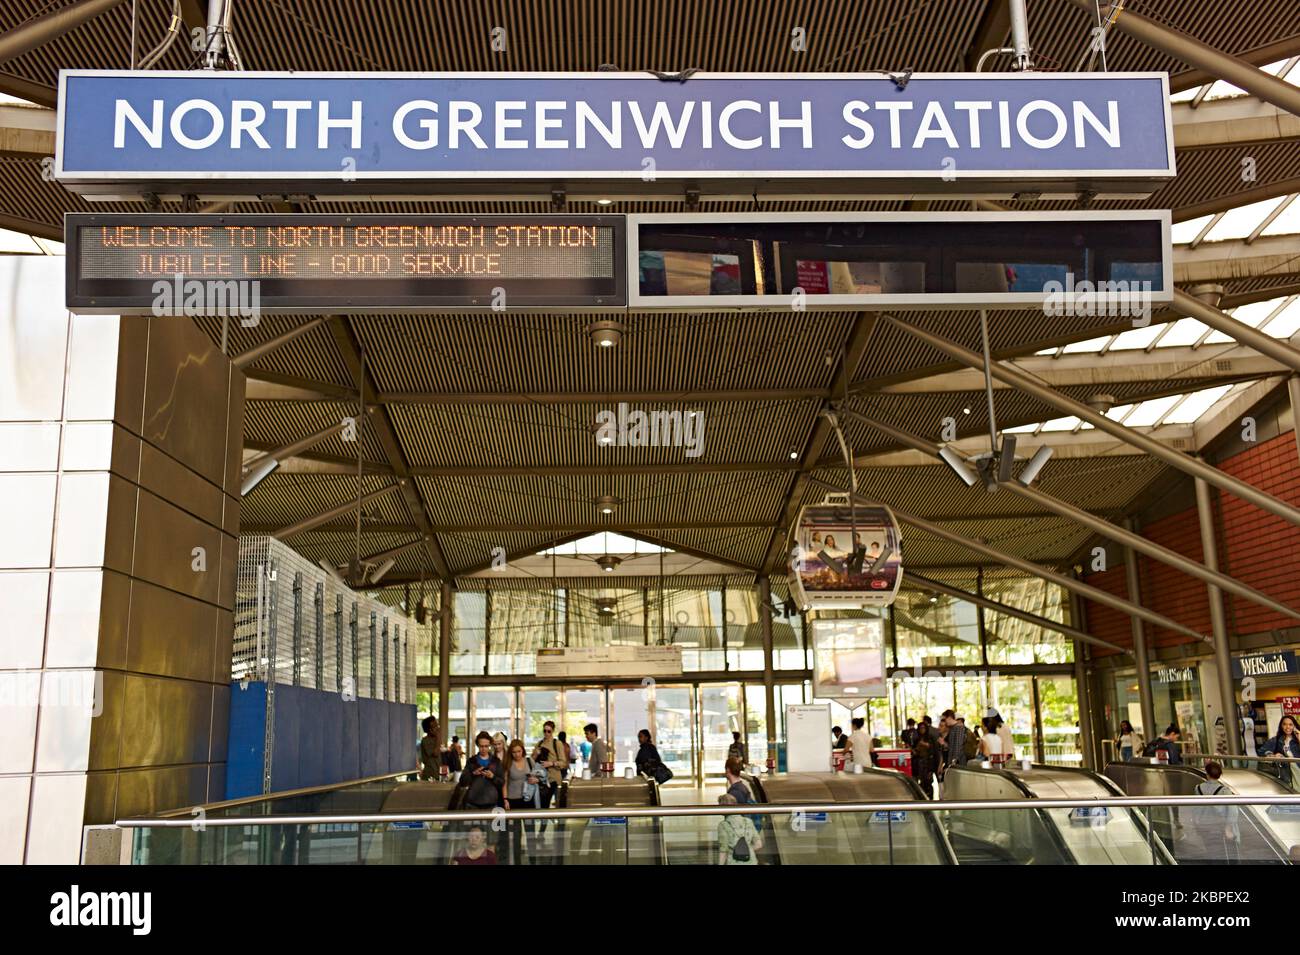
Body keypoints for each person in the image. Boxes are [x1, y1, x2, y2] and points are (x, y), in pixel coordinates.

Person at [503, 739, 544, 864]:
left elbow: (540, 776)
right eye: (514, 752)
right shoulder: (508, 763)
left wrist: (536, 780)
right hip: (513, 801)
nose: (517, 754)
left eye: (519, 751)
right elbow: (504, 783)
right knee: (516, 835)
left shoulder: (529, 761)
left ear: (523, 750)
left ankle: (533, 861)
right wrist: (505, 799)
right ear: (511, 753)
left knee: (530, 832)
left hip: (528, 800)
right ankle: (517, 861)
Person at [1192, 762, 1239, 863]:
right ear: (1220, 774)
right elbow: (1232, 810)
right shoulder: (1224, 791)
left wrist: (1196, 823)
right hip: (1219, 828)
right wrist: (1229, 828)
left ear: (1207, 774)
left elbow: (1196, 809)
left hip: (1204, 826)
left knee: (1212, 853)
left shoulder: (1198, 788)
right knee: (1224, 855)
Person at [461, 731, 504, 812]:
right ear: (477, 745)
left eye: (486, 746)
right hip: (473, 803)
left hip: (491, 803)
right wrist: (473, 774)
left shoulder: (496, 761)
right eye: (481, 746)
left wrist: (492, 777)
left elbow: (502, 782)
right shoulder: (471, 761)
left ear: (490, 745)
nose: (484, 749)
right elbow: (462, 781)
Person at [531, 720, 569, 810]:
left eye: (549, 731)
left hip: (555, 779)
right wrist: (536, 754)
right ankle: (543, 823)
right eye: (544, 731)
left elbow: (563, 763)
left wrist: (551, 763)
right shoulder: (539, 744)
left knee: (559, 805)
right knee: (543, 806)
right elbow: (531, 761)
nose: (546, 733)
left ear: (553, 731)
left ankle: (559, 823)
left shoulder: (557, 743)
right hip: (542, 780)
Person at [716, 793, 762, 865]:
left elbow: (723, 850)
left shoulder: (723, 825)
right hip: (752, 862)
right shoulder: (748, 821)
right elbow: (759, 844)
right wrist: (746, 850)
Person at [1260, 715, 1300, 788]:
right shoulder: (1277, 739)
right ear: (1281, 726)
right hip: (1287, 774)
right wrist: (1272, 755)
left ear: (1294, 726)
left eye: (1290, 724)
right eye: (1284, 724)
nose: (1287, 727)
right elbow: (1261, 751)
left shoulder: (1297, 739)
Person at [911, 721, 939, 798]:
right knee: (921, 782)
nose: (922, 730)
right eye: (920, 728)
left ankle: (930, 797)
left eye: (923, 728)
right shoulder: (917, 739)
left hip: (928, 763)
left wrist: (926, 745)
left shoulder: (930, 738)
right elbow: (915, 752)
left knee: (928, 781)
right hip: (920, 762)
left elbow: (934, 750)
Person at [418, 715, 440, 780]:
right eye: (435, 726)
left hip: (437, 773)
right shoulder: (425, 740)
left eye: (437, 725)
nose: (437, 728)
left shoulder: (435, 739)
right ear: (429, 729)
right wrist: (438, 737)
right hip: (430, 775)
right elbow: (435, 753)